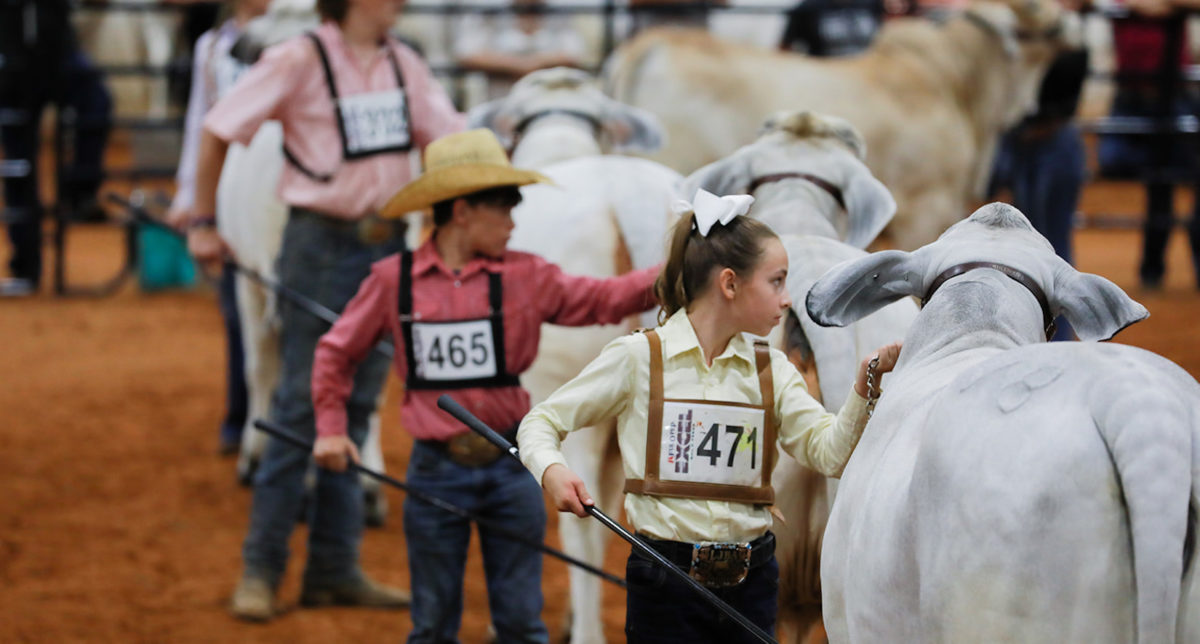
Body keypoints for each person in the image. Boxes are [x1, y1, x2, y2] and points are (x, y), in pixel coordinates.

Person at [310, 128, 661, 643]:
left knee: (520, 622)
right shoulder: (393, 280)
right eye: (503, 205)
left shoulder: (526, 277)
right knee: (432, 624)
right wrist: (330, 427)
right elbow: (336, 352)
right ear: (462, 211)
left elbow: (605, 299)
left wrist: (677, 268)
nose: (514, 219)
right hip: (434, 471)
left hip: (509, 466)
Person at [182, 0, 466, 622]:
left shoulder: (405, 64)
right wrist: (202, 219)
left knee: (358, 410)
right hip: (317, 244)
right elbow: (219, 127)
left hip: (386, 247)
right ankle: (261, 568)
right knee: (298, 409)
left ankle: (334, 568)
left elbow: (452, 141)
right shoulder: (296, 58)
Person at [518, 189, 902, 642]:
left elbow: (827, 454)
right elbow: (540, 421)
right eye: (776, 282)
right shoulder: (639, 358)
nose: (786, 299)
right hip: (664, 578)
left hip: (753, 579)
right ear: (729, 284)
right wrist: (553, 470)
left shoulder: (771, 369)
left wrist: (865, 384)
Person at [169, 0, 271, 454]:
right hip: (228, 193)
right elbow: (200, 122)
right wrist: (190, 199)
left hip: (273, 190)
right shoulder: (211, 47)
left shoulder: (292, 39)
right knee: (237, 310)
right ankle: (241, 415)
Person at [0, 0, 112, 296]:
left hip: (60, 56)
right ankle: (26, 262)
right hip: (10, 64)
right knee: (19, 166)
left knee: (96, 101)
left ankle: (79, 193)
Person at [1097, 0, 1200, 288]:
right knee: (1149, 181)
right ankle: (1152, 270)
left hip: (1175, 95)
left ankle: (1165, 268)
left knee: (1186, 181)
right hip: (1133, 97)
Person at [989, 45, 1089, 339]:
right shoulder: (1020, 38)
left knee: (1049, 245)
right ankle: (1042, 335)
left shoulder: (1067, 43)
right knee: (1030, 242)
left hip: (1045, 139)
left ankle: (1054, 339)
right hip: (1022, 140)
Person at [453, 0, 586, 102]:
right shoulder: (488, 9)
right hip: (500, 103)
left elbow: (573, 55)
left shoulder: (559, 10)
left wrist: (526, 65)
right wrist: (525, 66)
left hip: (548, 106)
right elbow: (468, 54)